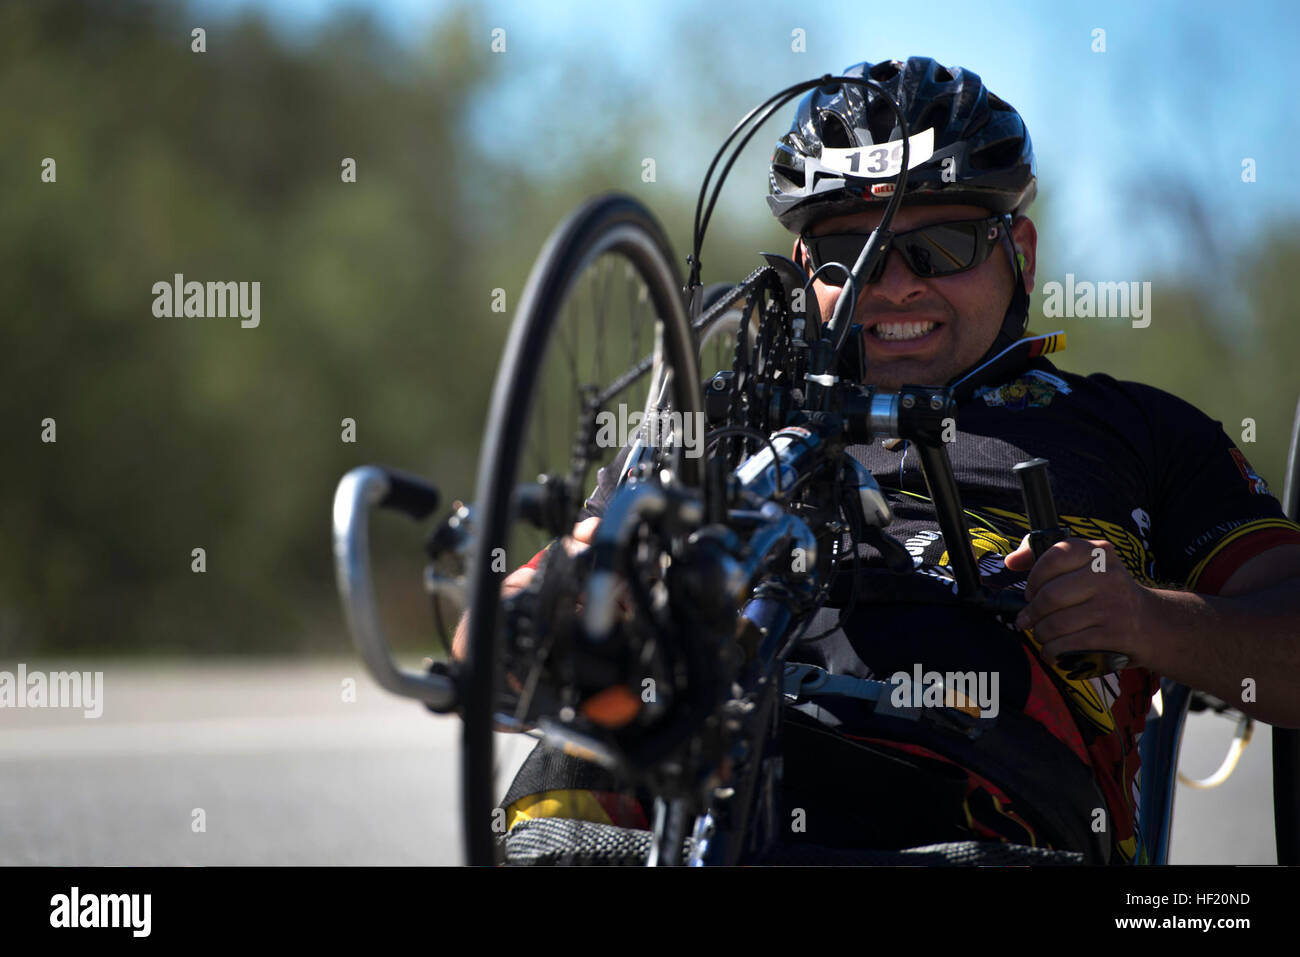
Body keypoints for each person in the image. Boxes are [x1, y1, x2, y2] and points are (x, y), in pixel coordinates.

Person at [471, 56, 1300, 864]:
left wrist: (1141, 619)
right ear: (803, 274)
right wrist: (570, 611)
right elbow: (487, 653)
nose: (894, 286)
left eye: (939, 244)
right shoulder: (716, 414)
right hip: (674, 790)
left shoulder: (1136, 428)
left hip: (972, 808)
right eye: (846, 256)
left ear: (1022, 253)